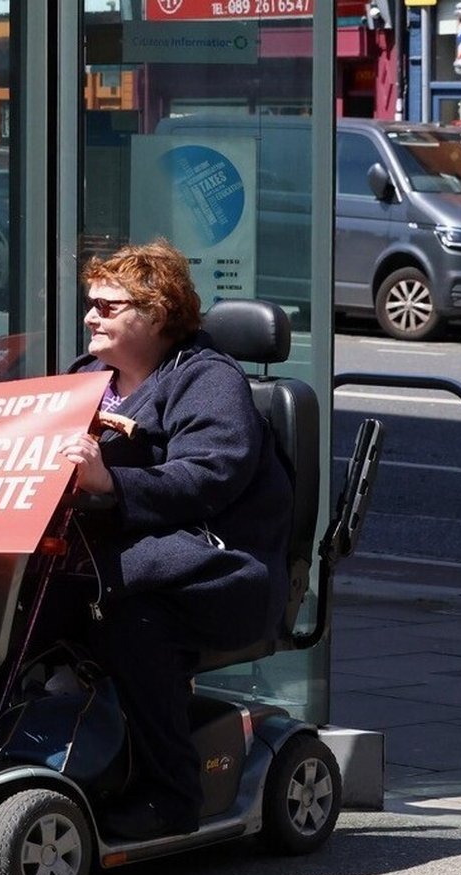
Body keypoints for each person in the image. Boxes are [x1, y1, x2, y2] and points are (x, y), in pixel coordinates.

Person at [59, 239, 293, 841]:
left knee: (131, 623)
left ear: (157, 314)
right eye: (91, 305)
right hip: (122, 561)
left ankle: (171, 795)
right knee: (25, 605)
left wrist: (111, 479)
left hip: (218, 567)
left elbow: (207, 477)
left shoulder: (207, 379)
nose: (90, 317)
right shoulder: (86, 377)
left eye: (107, 308)